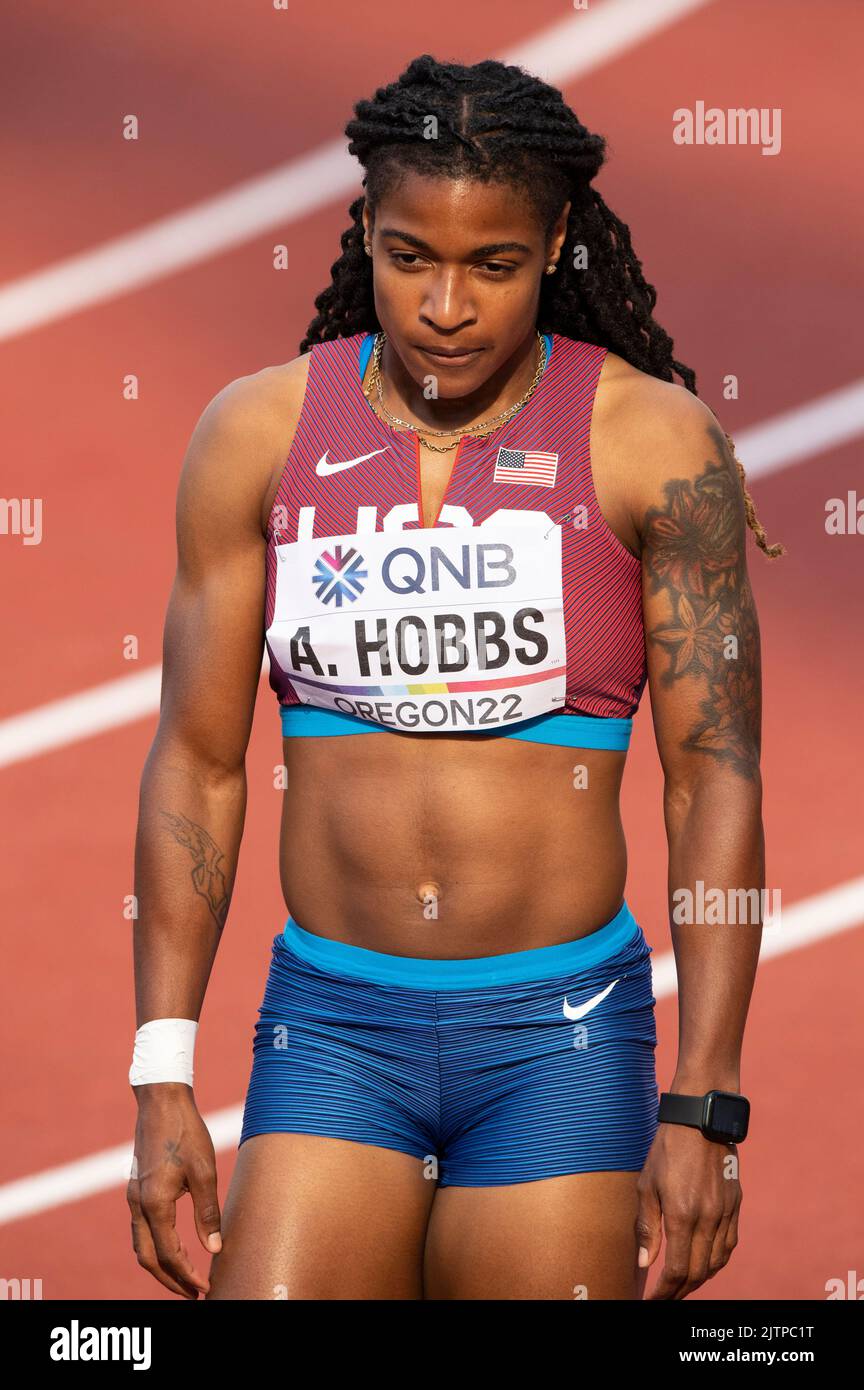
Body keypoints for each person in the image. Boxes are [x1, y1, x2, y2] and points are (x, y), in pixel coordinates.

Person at [126, 54, 782, 1301]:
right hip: (331, 1027)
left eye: (494, 266)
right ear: (363, 232)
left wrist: (704, 1101)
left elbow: (715, 787)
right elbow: (198, 764)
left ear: (556, 247)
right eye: (410, 254)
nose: (444, 304)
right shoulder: (257, 437)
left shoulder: (654, 445)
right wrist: (162, 1069)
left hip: (560, 1037)